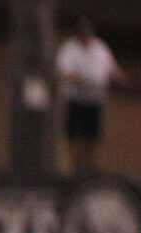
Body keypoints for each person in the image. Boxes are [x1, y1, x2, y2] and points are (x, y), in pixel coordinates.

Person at [56, 17, 122, 175]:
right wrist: (78, 79)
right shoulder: (69, 49)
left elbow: (113, 70)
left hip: (95, 98)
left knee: (93, 136)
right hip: (75, 98)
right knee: (72, 134)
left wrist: (122, 79)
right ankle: (72, 169)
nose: (85, 38)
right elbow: (62, 72)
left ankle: (93, 170)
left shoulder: (100, 48)